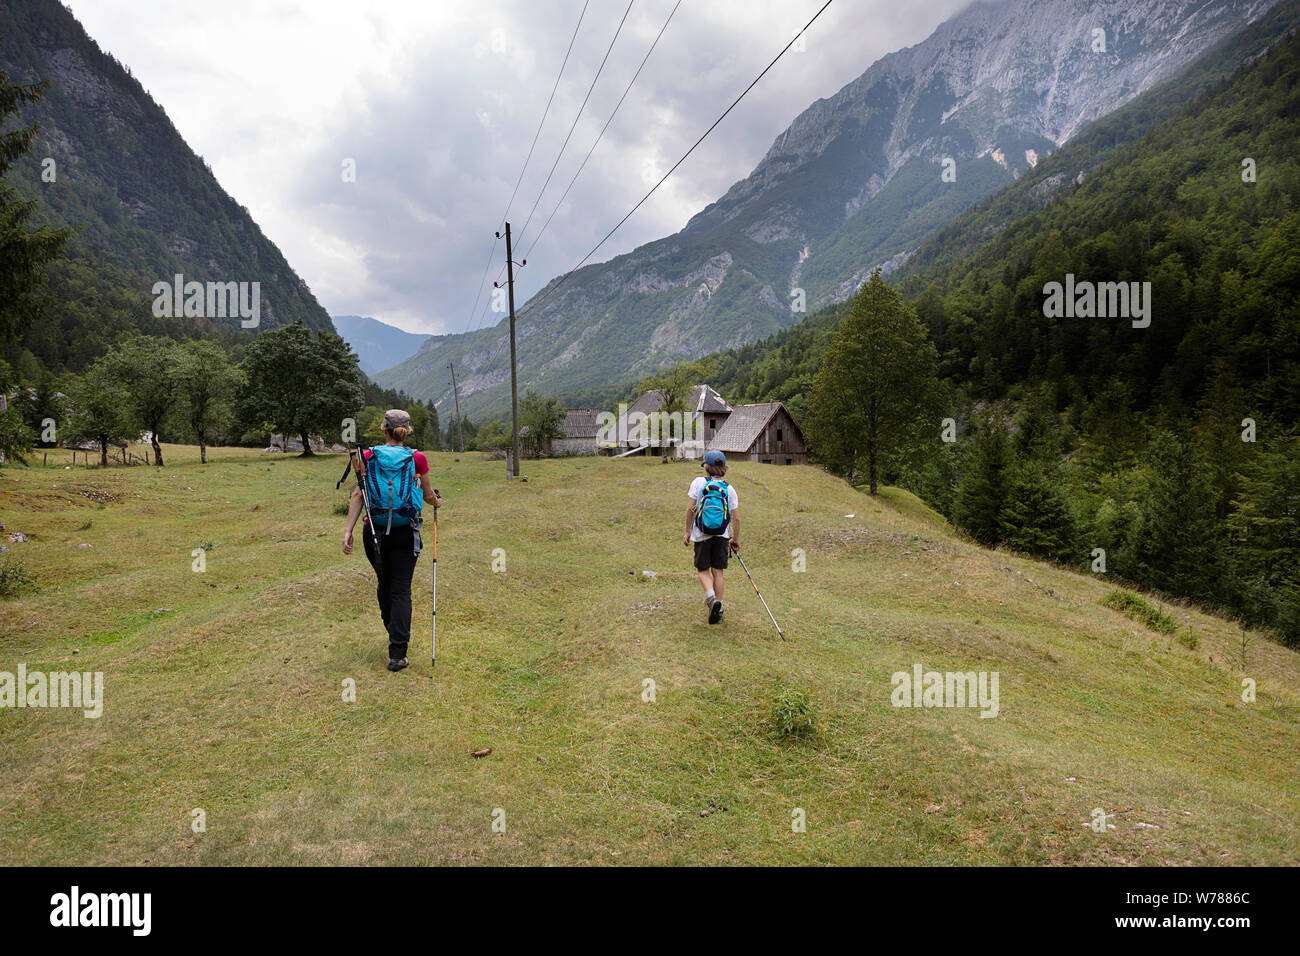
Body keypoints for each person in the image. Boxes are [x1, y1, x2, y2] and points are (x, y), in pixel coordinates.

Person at [342, 409, 441, 671]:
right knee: (400, 589)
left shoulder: (367, 456)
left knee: (384, 583)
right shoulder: (417, 458)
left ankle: (392, 629)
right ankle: (397, 653)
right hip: (405, 531)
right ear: (406, 431)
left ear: (384, 429)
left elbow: (358, 495)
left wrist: (348, 531)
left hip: (372, 530)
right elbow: (429, 495)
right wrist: (437, 502)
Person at [683, 449, 740, 624]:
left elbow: (690, 509)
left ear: (706, 467)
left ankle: (711, 598)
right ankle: (719, 609)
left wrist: (687, 532)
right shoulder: (729, 489)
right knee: (718, 571)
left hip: (701, 534)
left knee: (703, 570)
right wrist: (735, 540)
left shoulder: (698, 483)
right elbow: (736, 518)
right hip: (722, 535)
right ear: (724, 468)